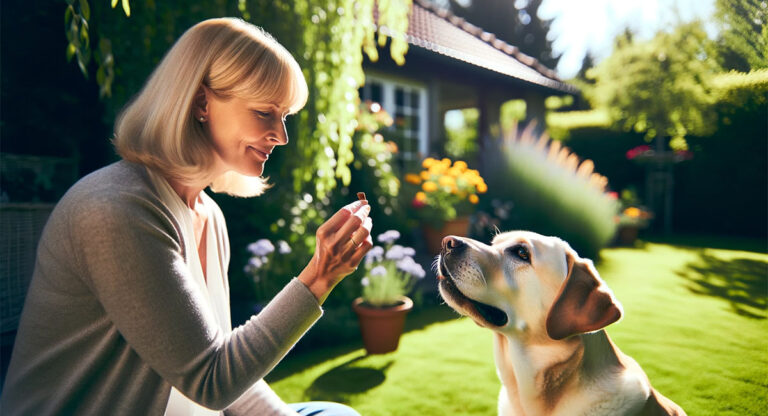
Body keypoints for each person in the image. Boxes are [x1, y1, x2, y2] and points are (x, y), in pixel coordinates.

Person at [0, 18, 372, 416]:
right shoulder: (116, 209)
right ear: (200, 102)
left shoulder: (208, 215)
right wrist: (319, 277)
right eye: (265, 112)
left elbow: (223, 356)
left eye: (284, 117)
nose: (281, 136)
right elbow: (212, 380)